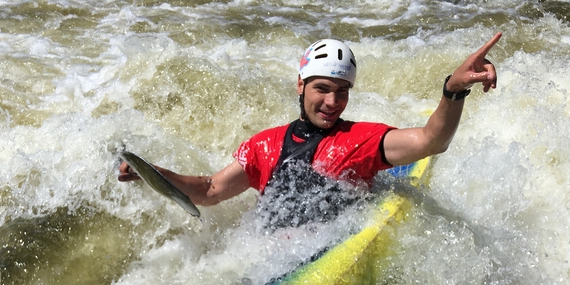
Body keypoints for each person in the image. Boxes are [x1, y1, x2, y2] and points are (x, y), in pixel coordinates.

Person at [119, 33, 501, 226]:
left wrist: (454, 88)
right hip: (269, 260)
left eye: (341, 92)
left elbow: (431, 140)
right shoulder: (263, 146)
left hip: (320, 257)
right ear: (301, 85)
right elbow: (209, 191)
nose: (332, 103)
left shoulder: (361, 140)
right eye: (322, 89)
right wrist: (152, 173)